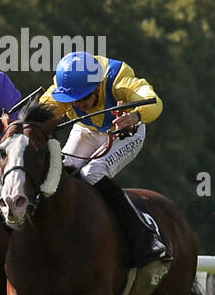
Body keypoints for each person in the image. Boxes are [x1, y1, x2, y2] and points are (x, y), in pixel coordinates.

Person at [38, 51, 170, 268]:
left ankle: (145, 235)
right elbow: (37, 114)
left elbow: (155, 102)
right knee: (58, 174)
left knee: (92, 174)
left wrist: (135, 116)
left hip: (126, 132)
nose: (77, 105)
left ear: (98, 87)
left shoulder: (119, 78)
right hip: (87, 129)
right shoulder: (63, 87)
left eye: (82, 99)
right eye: (71, 100)